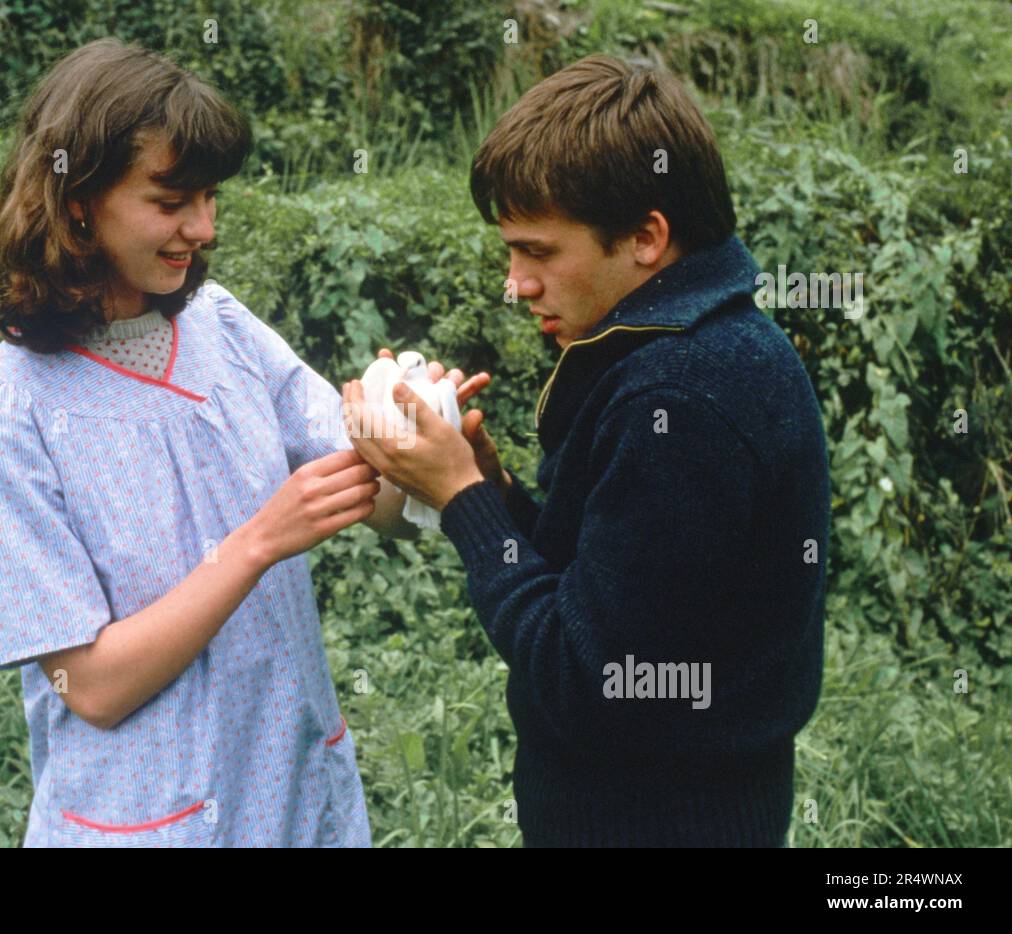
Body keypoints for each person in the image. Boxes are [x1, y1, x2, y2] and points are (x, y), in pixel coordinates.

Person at [0, 38, 447, 847]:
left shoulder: (223, 328)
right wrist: (256, 544)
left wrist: (412, 429)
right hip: (145, 820)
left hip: (292, 794)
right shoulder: (3, 412)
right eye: (172, 199)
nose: (203, 228)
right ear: (78, 201)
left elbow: (376, 496)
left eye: (211, 196)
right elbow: (96, 685)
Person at [344, 54, 830, 847]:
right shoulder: (704, 344)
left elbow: (590, 677)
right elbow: (609, 590)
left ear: (646, 237)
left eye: (537, 252)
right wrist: (493, 487)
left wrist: (463, 502)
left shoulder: (678, 396)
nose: (516, 283)